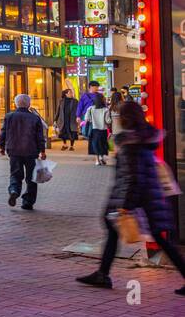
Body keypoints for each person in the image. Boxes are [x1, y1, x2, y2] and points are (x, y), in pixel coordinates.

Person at [78, 100, 185, 294]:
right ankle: (102, 273)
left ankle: (103, 274)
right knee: (136, 234)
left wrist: (125, 206)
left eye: (119, 116)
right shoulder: (143, 138)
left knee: (122, 230)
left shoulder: (129, 143)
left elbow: (132, 177)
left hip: (136, 196)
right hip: (149, 195)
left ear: (125, 118)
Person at [0, 92, 47, 210]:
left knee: (15, 173)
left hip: (14, 150)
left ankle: (14, 190)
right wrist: (42, 151)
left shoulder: (9, 116)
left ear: (16, 104)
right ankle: (28, 202)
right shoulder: (35, 118)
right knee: (31, 177)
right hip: (31, 151)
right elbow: (40, 137)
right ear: (29, 104)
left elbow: (3, 133)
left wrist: (1, 147)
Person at [83, 92, 112, 166]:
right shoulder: (106, 109)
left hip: (94, 129)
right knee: (102, 144)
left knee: (95, 144)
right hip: (103, 130)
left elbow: (87, 119)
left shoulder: (90, 109)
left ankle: (97, 160)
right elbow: (108, 121)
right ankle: (102, 157)